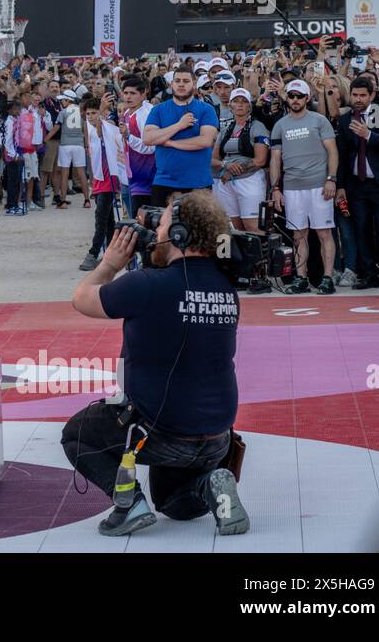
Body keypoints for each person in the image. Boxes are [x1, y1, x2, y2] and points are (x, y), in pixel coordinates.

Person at [64, 193, 249, 537]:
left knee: (78, 433)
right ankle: (210, 483)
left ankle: (129, 504)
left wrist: (110, 264)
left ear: (178, 236)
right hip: (216, 438)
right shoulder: (226, 289)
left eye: (161, 226)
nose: (155, 233)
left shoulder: (146, 285)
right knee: (172, 503)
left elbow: (81, 299)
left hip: (162, 432)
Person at [335, 77, 379, 290]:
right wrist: (340, 185)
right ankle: (368, 274)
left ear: (372, 95)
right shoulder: (346, 119)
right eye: (354, 95)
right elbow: (343, 154)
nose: (358, 99)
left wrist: (368, 135)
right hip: (357, 184)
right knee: (362, 229)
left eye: (362, 95)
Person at [269, 79, 338, 295]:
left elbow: (333, 152)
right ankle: (301, 278)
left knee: (324, 233)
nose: (295, 100)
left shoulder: (319, 120)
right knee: (299, 235)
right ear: (286, 98)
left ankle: (327, 278)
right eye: (291, 96)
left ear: (308, 98)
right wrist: (275, 188)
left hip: (319, 185)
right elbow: (275, 160)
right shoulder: (280, 125)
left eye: (300, 96)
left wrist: (331, 179)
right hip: (291, 187)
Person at [142, 65, 219, 205]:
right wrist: (179, 125)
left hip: (199, 184)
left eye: (185, 81)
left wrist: (170, 142)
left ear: (194, 83)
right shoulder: (158, 110)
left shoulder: (206, 110)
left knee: (200, 227)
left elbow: (205, 141)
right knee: (163, 227)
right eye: (177, 81)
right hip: (164, 183)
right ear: (171, 84)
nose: (181, 84)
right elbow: (148, 138)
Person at [78, 95, 127, 271]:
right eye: (88, 113)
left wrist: (102, 112)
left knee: (101, 219)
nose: (90, 116)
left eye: (93, 113)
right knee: (108, 221)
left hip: (109, 180)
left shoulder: (107, 125)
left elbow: (101, 131)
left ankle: (93, 253)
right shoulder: (88, 127)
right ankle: (111, 254)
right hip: (99, 180)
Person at [211, 88, 271, 232]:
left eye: (244, 102)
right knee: (232, 229)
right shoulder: (225, 129)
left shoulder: (257, 126)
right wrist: (225, 166)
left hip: (250, 180)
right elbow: (212, 159)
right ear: (230, 105)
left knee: (253, 228)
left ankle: (260, 255)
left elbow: (260, 160)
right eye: (236, 101)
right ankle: (236, 255)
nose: (240, 105)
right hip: (226, 181)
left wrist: (232, 171)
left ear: (249, 106)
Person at [119, 76, 156, 216]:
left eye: (133, 93)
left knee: (143, 225)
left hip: (148, 179)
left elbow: (151, 146)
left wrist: (129, 137)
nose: (128, 97)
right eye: (126, 93)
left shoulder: (145, 115)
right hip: (134, 177)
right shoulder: (128, 112)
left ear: (143, 94)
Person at [52, 90, 90, 209]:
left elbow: (56, 128)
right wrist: (87, 145)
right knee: (82, 173)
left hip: (65, 145)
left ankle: (63, 201)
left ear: (68, 100)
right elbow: (85, 130)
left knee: (64, 174)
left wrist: (45, 139)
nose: (61, 102)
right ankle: (87, 200)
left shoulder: (63, 112)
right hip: (78, 145)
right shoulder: (82, 112)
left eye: (63, 100)